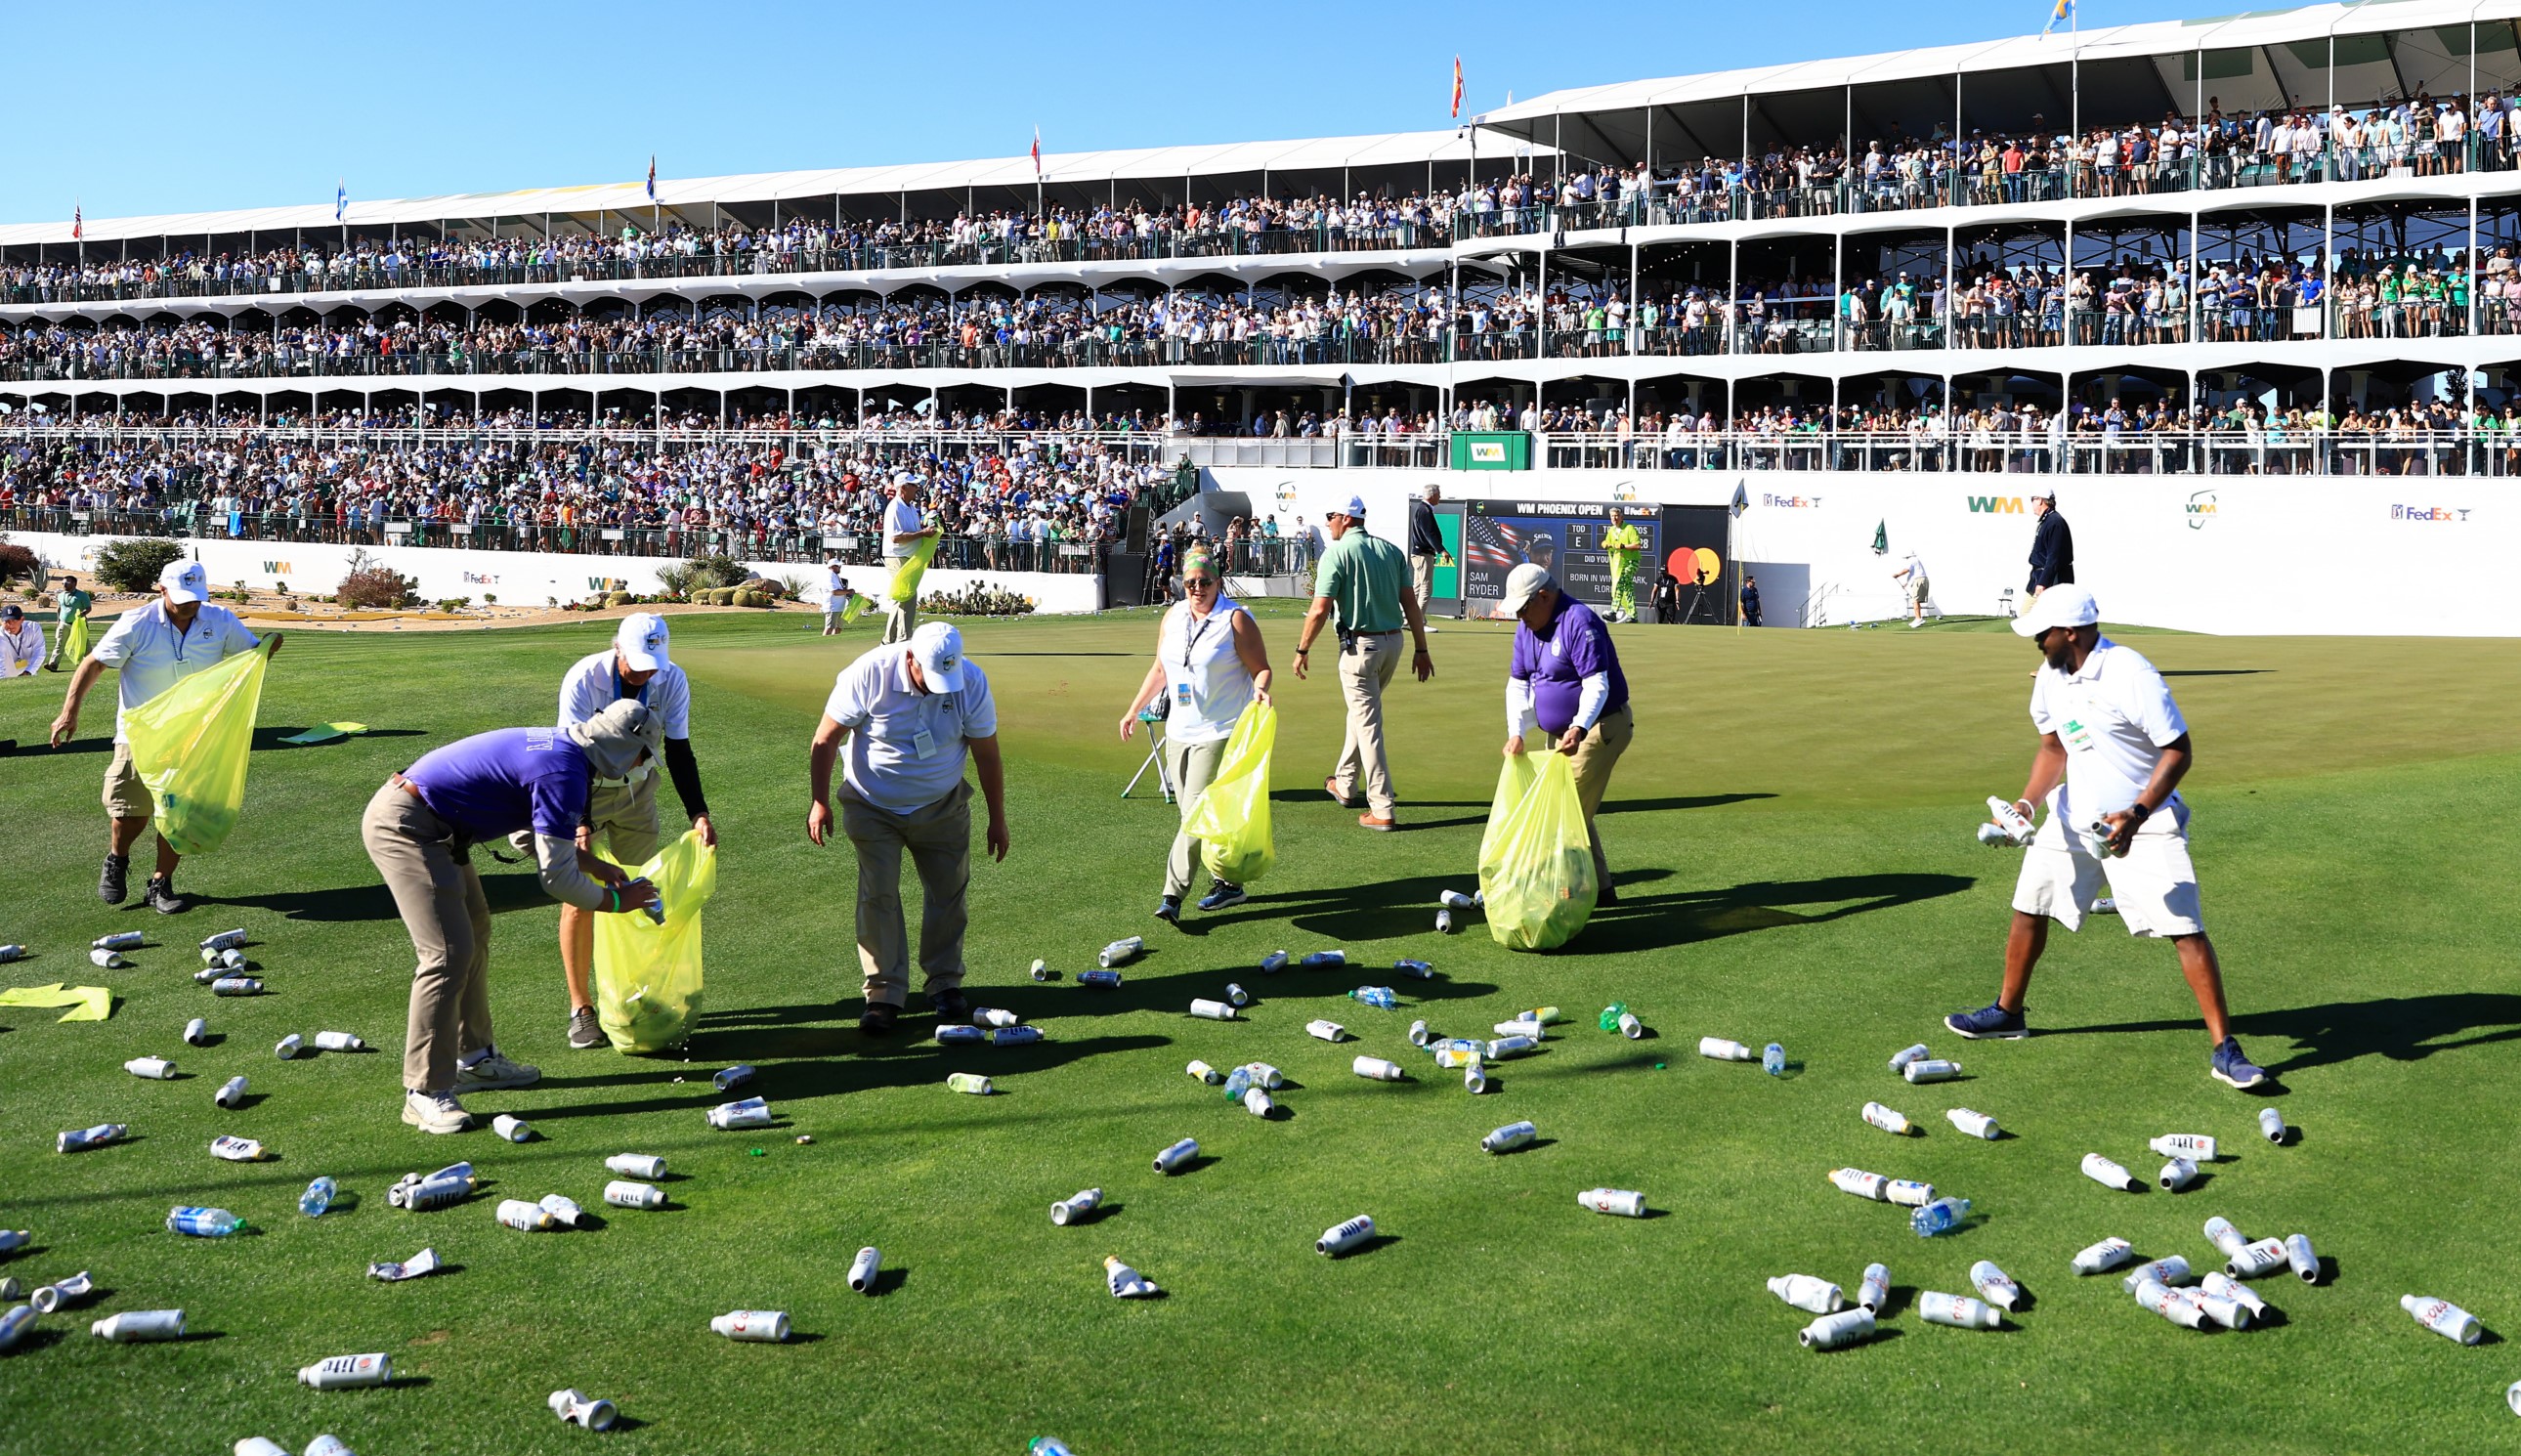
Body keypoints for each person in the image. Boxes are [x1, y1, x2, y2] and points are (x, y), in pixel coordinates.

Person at [1942, 585, 2268, 1092]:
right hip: (2074, 814)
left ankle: (2225, 1049)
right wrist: (2028, 802)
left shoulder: (2130, 674)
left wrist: (2136, 814)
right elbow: (2054, 747)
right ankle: (2009, 1013)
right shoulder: (2051, 676)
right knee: (2031, 905)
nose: (2036, 642)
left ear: (2071, 632)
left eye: (2043, 633)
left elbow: (2178, 751)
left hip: (2146, 820)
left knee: (2184, 927)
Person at [363, 701, 662, 1134]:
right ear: (621, 748)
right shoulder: (565, 773)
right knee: (447, 953)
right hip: (408, 827)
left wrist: (592, 864)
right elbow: (556, 880)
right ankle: (424, 1091)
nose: (642, 766)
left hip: (437, 826)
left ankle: (476, 1058)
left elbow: (528, 833)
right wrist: (619, 901)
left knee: (475, 931)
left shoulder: (565, 752)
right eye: (642, 755)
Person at [808, 621, 1009, 1037]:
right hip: (872, 804)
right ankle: (883, 992)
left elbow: (987, 754)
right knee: (879, 894)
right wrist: (820, 800)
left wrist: (998, 817)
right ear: (911, 658)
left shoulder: (968, 681)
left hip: (943, 806)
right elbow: (826, 739)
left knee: (948, 894)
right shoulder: (868, 673)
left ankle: (945, 983)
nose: (940, 689)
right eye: (931, 678)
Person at [51, 560, 282, 914]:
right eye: (182, 597)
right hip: (139, 733)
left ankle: (160, 884)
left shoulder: (220, 620)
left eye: (196, 598)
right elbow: (94, 663)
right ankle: (118, 859)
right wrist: (70, 712)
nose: (191, 605)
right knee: (130, 812)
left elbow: (250, 654)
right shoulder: (136, 623)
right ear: (161, 589)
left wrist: (269, 646)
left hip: (195, 736)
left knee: (181, 815)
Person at [550, 614, 717, 1049]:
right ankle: (581, 1009)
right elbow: (570, 755)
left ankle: (638, 995)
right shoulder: (584, 678)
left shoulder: (672, 679)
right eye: (638, 661)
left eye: (654, 661)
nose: (647, 671)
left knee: (640, 891)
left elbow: (679, 750)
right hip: (582, 789)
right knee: (580, 898)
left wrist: (697, 812)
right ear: (618, 649)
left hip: (637, 792)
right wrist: (581, 822)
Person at [1119, 547, 1273, 922]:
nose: (1197, 589)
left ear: (1218, 582)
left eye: (1205, 582)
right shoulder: (1173, 617)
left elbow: (1262, 668)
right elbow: (1160, 668)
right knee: (1194, 813)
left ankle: (1172, 895)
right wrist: (1134, 709)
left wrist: (1262, 689)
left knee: (1195, 815)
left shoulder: (1234, 619)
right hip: (1179, 730)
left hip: (1218, 731)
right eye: (1190, 583)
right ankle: (1229, 883)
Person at [1293, 493, 1432, 832]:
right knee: (1361, 715)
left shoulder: (1336, 553)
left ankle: (1382, 807)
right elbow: (1411, 605)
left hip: (1359, 648)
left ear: (1345, 518)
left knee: (1368, 725)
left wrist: (1302, 649)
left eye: (1330, 515)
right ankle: (1344, 783)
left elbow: (1319, 608)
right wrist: (1421, 648)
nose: (1327, 522)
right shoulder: (1391, 550)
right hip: (1393, 645)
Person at [1499, 564, 1633, 902]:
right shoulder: (1527, 627)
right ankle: (1601, 891)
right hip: (1563, 733)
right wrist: (1516, 732)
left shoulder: (1579, 621)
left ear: (1544, 596)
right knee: (1574, 811)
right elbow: (1517, 684)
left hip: (1598, 727)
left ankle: (1562, 896)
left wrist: (1579, 726)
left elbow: (1596, 684)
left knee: (1561, 814)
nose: (1520, 618)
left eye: (1523, 609)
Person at [881, 476, 940, 645]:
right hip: (897, 556)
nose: (917, 488)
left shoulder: (910, 507)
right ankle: (902, 639)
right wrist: (923, 533)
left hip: (909, 556)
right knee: (906, 596)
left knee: (903, 597)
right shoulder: (895, 508)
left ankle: (890, 641)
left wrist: (926, 531)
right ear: (904, 487)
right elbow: (895, 538)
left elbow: (913, 531)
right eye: (914, 485)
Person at [1407, 484, 1444, 624]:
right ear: (1432, 495)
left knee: (1417, 587)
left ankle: (1408, 619)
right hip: (1423, 554)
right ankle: (1419, 620)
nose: (1440, 496)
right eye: (1438, 494)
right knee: (1426, 587)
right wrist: (1441, 550)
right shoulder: (1424, 510)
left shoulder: (1423, 509)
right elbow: (1429, 533)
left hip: (1419, 553)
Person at [2028, 489, 2074, 596]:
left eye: (2032, 500)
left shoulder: (2055, 522)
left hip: (2051, 581)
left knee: (2029, 611)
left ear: (2040, 500)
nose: (2032, 503)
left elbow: (2054, 557)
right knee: (2026, 611)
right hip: (2039, 577)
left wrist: (2043, 582)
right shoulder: (2048, 520)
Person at [1601, 508, 1645, 622]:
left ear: (1621, 517)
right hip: (1619, 563)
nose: (1614, 518)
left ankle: (1614, 611)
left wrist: (1624, 546)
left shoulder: (1629, 528)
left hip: (1631, 562)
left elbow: (1638, 545)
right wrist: (1605, 544)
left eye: (1616, 516)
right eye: (1612, 516)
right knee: (1626, 586)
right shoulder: (1611, 530)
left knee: (1621, 582)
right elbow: (1607, 542)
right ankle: (1632, 615)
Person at [46, 574, 91, 671]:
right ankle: (53, 664)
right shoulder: (61, 595)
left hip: (78, 625)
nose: (64, 585)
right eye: (63, 583)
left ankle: (94, 661)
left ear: (74, 583)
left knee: (84, 645)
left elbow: (88, 608)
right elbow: (59, 608)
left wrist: (83, 613)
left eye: (67, 583)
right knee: (59, 644)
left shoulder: (82, 595)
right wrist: (58, 621)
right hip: (64, 623)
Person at [0, 605, 42, 677]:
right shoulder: (1, 636)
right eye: (6, 621)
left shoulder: (33, 628)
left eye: (14, 620)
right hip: (5, 677)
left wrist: (28, 672)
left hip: (29, 676)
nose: (10, 625)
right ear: (1, 621)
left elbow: (39, 653)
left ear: (22, 619)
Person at [1893, 549, 1932, 627]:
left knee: (1915, 600)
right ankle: (1918, 618)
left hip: (1919, 581)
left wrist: (1898, 575)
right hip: (1920, 580)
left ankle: (1919, 619)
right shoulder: (1915, 560)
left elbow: (1906, 570)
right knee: (1916, 600)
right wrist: (1906, 584)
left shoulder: (1912, 560)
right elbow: (1913, 575)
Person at [823, 559, 861, 637]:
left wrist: (849, 592)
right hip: (832, 607)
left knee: (838, 628)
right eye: (838, 566)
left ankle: (833, 643)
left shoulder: (835, 576)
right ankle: (823, 645)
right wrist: (848, 591)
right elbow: (834, 592)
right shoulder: (829, 576)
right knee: (829, 627)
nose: (840, 567)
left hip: (840, 607)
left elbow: (840, 590)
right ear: (832, 566)